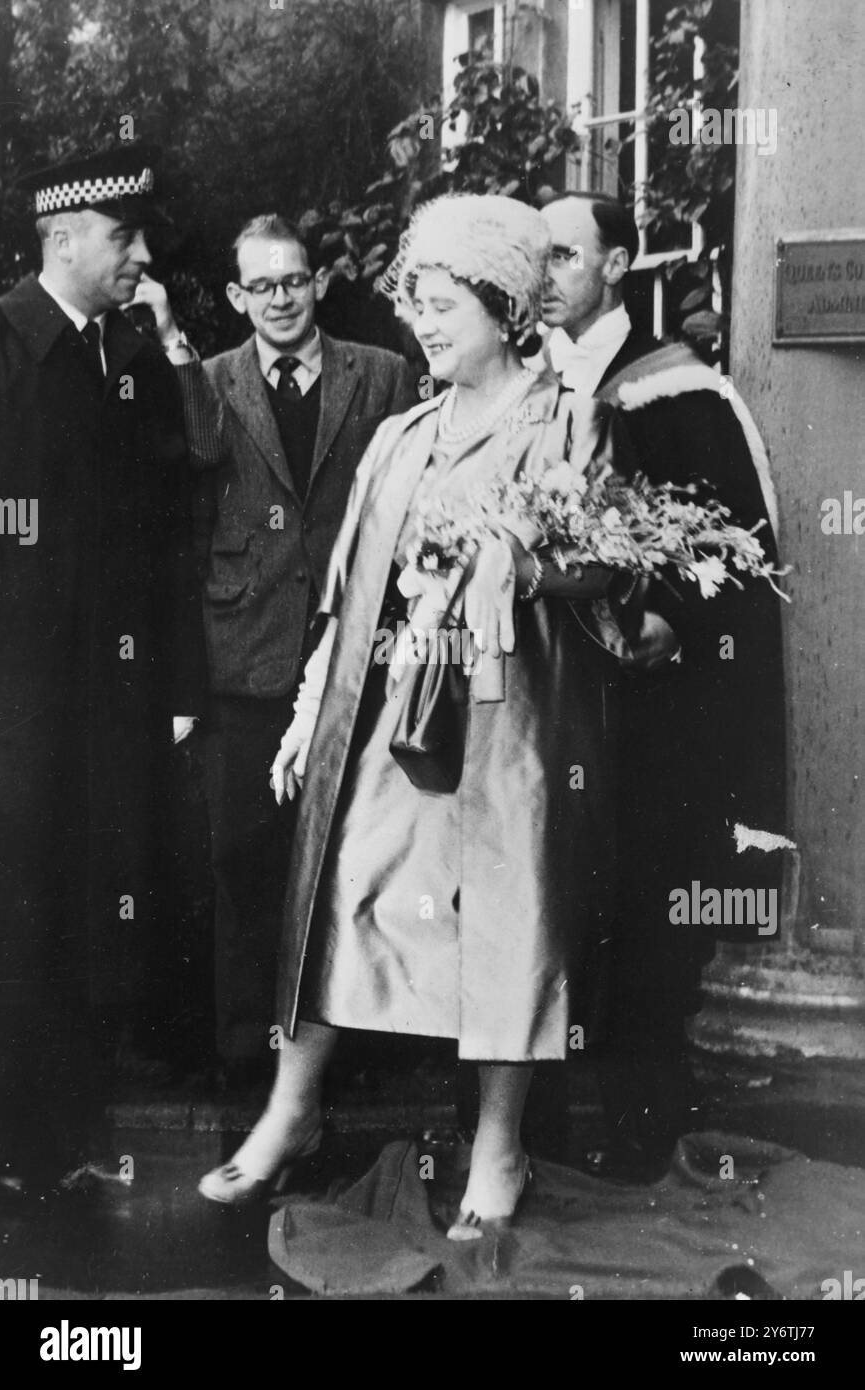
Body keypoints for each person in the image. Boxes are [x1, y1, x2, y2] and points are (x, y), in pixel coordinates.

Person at [196, 193, 633, 1236]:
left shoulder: (567, 418)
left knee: (504, 921)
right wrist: (309, 708)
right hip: (400, 717)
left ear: (503, 309)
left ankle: (497, 1148)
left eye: (442, 307)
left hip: (511, 723)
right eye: (413, 306)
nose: (421, 326)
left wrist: (527, 564)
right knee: (342, 892)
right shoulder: (406, 431)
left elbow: (612, 563)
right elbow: (350, 594)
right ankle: (289, 1114)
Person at [538, 191, 787, 1182]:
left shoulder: (676, 394)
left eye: (562, 255)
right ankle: (544, 1131)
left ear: (615, 265)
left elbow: (730, 550)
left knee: (646, 907)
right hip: (552, 701)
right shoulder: (530, 383)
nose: (543, 273)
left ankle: (637, 1130)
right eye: (535, 258)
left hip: (653, 710)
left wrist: (664, 620)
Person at [132, 216, 413, 1086]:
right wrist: (173, 348)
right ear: (237, 297)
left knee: (353, 862)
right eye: (263, 286)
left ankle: (353, 1056)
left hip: (352, 651)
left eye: (295, 280)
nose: (282, 298)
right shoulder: (205, 381)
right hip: (243, 657)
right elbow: (190, 472)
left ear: (318, 284)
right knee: (244, 861)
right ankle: (247, 1059)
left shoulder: (384, 374)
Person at [0, 144, 206, 1200]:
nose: (142, 256)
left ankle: (64, 1139)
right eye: (125, 238)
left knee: (87, 901)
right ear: (64, 239)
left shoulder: (128, 357)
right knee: (11, 903)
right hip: (12, 699)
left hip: (106, 696)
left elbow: (168, 526)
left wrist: (168, 690)